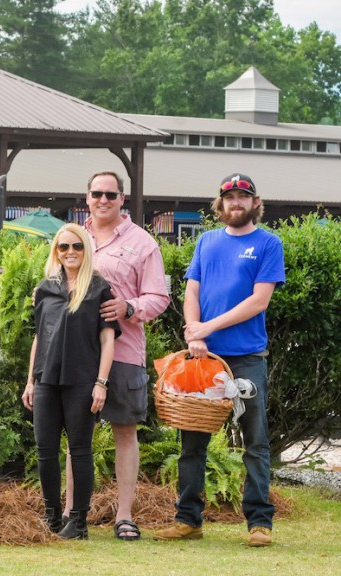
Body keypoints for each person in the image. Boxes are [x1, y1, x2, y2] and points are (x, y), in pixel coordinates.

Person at [154, 173, 284, 547]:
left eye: (244, 197)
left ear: (255, 203)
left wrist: (206, 326)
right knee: (192, 442)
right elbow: (192, 289)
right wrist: (195, 331)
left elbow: (259, 301)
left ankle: (260, 523)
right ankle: (188, 520)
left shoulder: (268, 244)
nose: (236, 203)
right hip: (204, 358)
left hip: (246, 359)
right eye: (230, 198)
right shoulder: (207, 242)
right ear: (220, 204)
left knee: (255, 441)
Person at [62, 171, 170, 541]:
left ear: (122, 198)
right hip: (77, 355)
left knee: (125, 432)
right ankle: (71, 513)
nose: (103, 199)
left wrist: (129, 307)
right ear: (86, 197)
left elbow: (159, 298)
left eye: (110, 194)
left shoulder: (143, 244)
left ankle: (124, 516)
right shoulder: (73, 238)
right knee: (78, 437)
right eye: (97, 193)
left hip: (123, 353)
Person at [22, 223, 119, 540]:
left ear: (86, 249)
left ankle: (78, 522)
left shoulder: (99, 289)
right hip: (46, 380)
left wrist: (101, 383)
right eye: (63, 247)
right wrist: (31, 381)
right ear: (56, 251)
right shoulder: (46, 288)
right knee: (45, 450)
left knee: (80, 451)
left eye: (77, 246)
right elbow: (39, 338)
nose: (70, 252)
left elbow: (108, 341)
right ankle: (51, 518)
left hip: (82, 381)